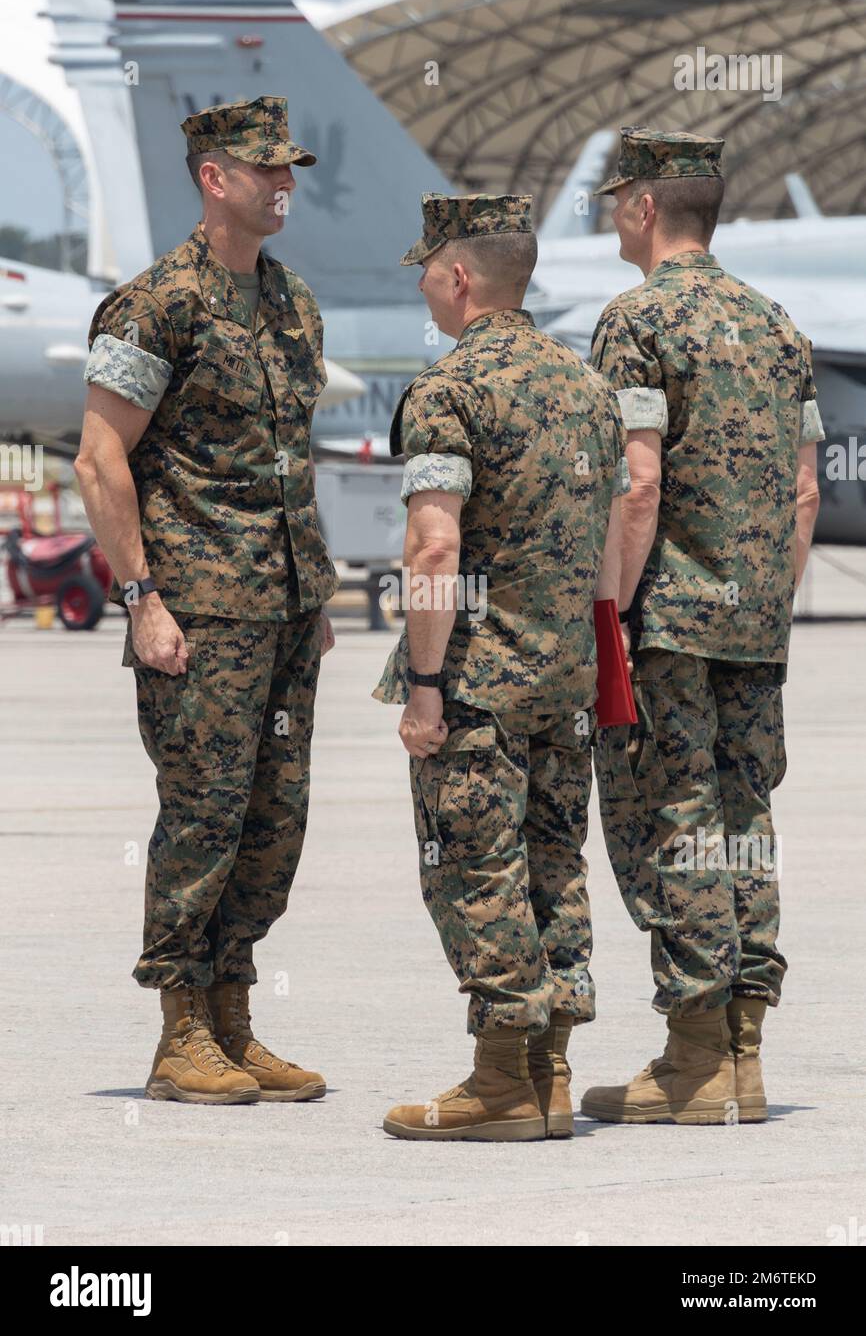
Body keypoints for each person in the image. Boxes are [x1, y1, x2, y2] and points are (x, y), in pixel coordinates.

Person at [74, 97, 337, 1105]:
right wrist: (142, 598)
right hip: (199, 612)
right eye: (264, 169)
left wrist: (311, 587)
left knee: (274, 820)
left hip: (282, 606)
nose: (284, 186)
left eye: (290, 169)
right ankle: (179, 1027)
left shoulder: (291, 302)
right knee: (201, 814)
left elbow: (289, 462)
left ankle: (232, 1013)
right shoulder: (153, 307)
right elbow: (103, 460)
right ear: (212, 178)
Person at [373, 192, 630, 1140]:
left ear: (458, 276)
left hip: (480, 685)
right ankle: (553, 1071)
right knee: (556, 865)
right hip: (564, 684)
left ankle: (499, 1085)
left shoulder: (450, 391)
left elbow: (433, 551)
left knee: (475, 870)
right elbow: (607, 549)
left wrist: (427, 691)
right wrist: (600, 664)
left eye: (428, 274)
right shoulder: (588, 389)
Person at [583, 127, 823, 1125]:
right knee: (741, 824)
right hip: (754, 625)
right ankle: (740, 1054)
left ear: (643, 207)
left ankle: (691, 1057)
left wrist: (607, 609)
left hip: (669, 623)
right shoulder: (775, 325)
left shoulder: (634, 322)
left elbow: (635, 484)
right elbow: (805, 492)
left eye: (613, 201)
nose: (610, 218)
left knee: (675, 826)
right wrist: (764, 598)